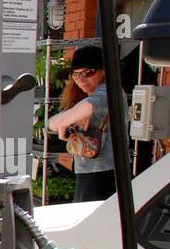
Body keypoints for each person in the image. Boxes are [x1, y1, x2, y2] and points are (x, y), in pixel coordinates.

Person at [47, 45, 119, 202]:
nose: (81, 79)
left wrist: (67, 120)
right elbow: (50, 123)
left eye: (88, 73)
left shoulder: (108, 91)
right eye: (76, 75)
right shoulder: (84, 99)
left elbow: (88, 107)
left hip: (106, 173)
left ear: (104, 71)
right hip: (89, 173)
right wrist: (72, 117)